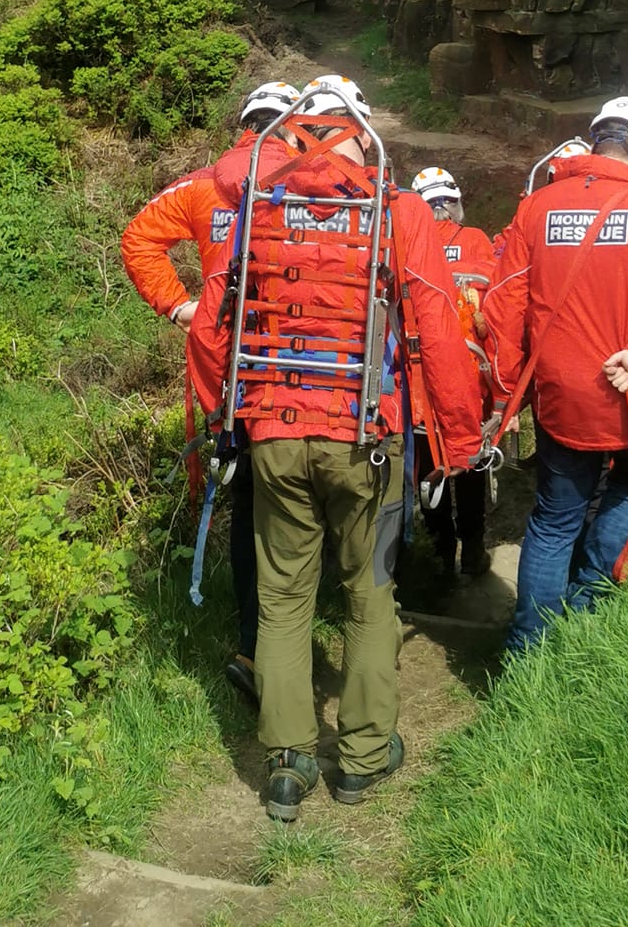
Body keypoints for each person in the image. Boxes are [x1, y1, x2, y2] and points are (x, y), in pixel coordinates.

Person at [189, 74, 483, 820]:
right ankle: (361, 755)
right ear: (359, 131)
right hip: (366, 439)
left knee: (283, 597)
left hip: (274, 435)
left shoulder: (257, 207)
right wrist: (458, 443)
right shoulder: (397, 212)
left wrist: (222, 428)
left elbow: (212, 328)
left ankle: (287, 764)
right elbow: (439, 334)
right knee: (368, 595)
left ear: (293, 132)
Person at [483, 99, 628, 655]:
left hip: (563, 398)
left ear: (595, 144)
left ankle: (528, 651)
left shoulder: (536, 209)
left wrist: (508, 391)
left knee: (553, 520)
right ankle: (587, 613)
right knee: (627, 492)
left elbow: (501, 306)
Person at [120, 79, 300, 706]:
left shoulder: (204, 187)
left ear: (244, 126)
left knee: (250, 501)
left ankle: (254, 641)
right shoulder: (322, 186)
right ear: (296, 126)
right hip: (309, 370)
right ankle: (300, 643)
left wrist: (180, 308)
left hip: (228, 371)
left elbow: (137, 237)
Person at [409, 166, 495, 578]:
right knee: (471, 459)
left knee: (430, 461)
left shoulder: (405, 240)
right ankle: (474, 549)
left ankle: (440, 552)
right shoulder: (475, 240)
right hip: (470, 374)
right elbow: (493, 307)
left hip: (421, 376)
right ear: (454, 205)